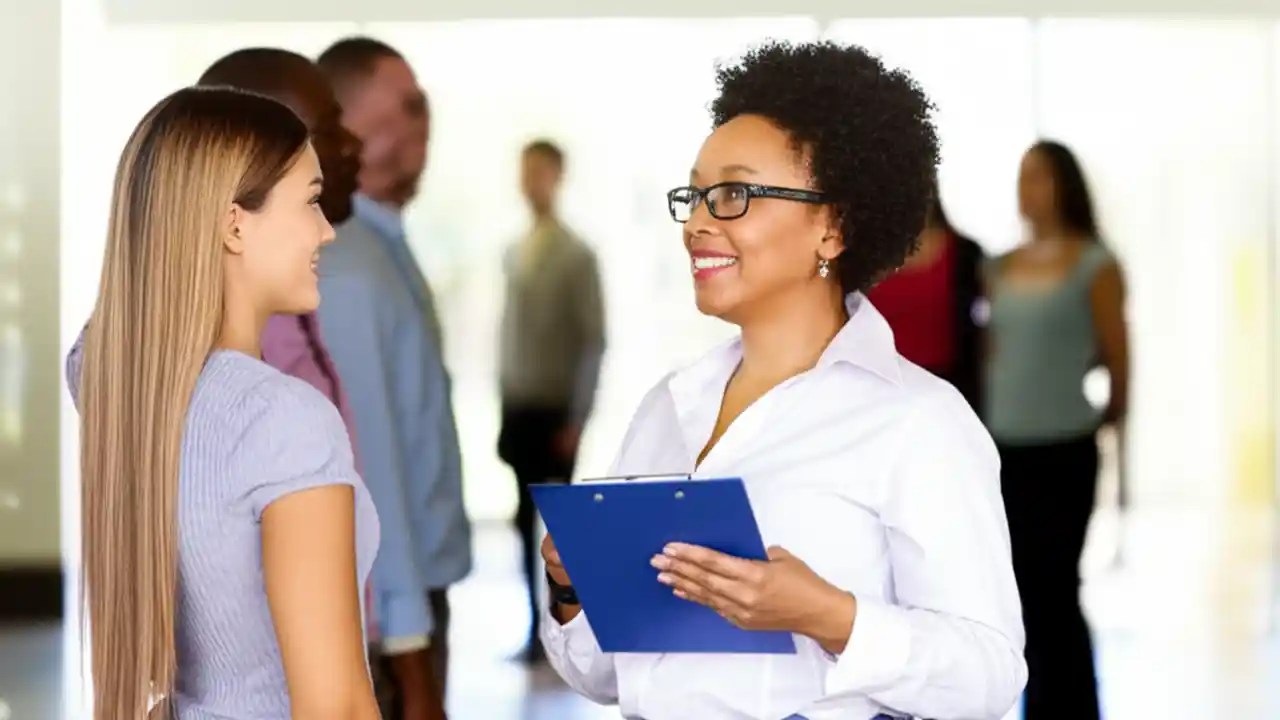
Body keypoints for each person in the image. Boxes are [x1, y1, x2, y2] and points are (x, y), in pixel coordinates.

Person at [539, 40, 1026, 720]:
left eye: (734, 194)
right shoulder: (668, 408)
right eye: (698, 194)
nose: (699, 223)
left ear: (833, 226)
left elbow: (990, 676)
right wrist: (572, 589)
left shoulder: (918, 420)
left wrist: (829, 616)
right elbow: (608, 676)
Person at [69, 87, 380, 718]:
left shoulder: (110, 378)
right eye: (313, 201)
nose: (328, 231)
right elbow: (337, 707)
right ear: (233, 223)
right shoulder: (282, 420)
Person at [316, 36, 469, 719]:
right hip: (384, 617)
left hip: (409, 601)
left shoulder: (381, 246)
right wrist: (412, 660)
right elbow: (369, 466)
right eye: (406, 107)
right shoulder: (347, 265)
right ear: (349, 124)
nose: (423, 124)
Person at [985, 140, 1130, 720]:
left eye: (1039, 177)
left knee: (1057, 589)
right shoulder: (996, 267)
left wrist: (1110, 422)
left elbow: (1118, 357)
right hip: (1004, 449)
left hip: (1066, 449)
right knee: (1017, 591)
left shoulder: (1095, 263)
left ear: (1065, 184)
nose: (1028, 190)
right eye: (1021, 177)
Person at [497, 138, 606, 664]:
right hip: (517, 406)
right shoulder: (516, 250)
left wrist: (577, 418)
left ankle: (567, 630)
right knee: (522, 521)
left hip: (554, 410)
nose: (530, 182)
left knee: (558, 529)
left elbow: (592, 341)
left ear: (557, 176)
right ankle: (534, 630)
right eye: (525, 171)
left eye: (539, 172)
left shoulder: (576, 255)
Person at [866, 187, 987, 413]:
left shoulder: (966, 254)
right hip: (878, 397)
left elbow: (983, 336)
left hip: (950, 395)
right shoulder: (865, 257)